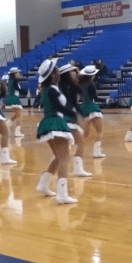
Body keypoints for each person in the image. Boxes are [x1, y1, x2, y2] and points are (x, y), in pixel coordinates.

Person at [34, 58, 79, 204]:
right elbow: (59, 108)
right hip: (55, 122)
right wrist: (72, 114)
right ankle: (62, 194)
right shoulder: (52, 89)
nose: (59, 72)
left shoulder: (49, 88)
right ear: (52, 75)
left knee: (58, 157)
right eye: (57, 70)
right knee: (64, 159)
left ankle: (43, 184)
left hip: (49, 123)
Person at [59, 63, 92, 177]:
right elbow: (75, 103)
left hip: (63, 118)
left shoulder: (61, 86)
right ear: (68, 74)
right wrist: (84, 115)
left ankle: (54, 168)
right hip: (68, 118)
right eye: (72, 71)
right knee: (80, 143)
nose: (75, 72)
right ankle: (78, 169)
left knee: (65, 147)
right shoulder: (70, 87)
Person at [79, 65, 106, 157]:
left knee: (85, 133)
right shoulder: (91, 83)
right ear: (92, 75)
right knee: (100, 131)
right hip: (92, 108)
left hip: (84, 108)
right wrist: (105, 100)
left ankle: (75, 149)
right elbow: (95, 97)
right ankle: (96, 152)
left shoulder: (81, 83)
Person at [4, 67, 26, 137]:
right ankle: (17, 132)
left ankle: (6, 125)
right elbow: (18, 89)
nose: (19, 74)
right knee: (19, 115)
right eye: (18, 72)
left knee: (16, 115)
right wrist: (25, 92)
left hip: (10, 98)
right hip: (14, 98)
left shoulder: (10, 81)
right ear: (15, 74)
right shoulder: (15, 81)